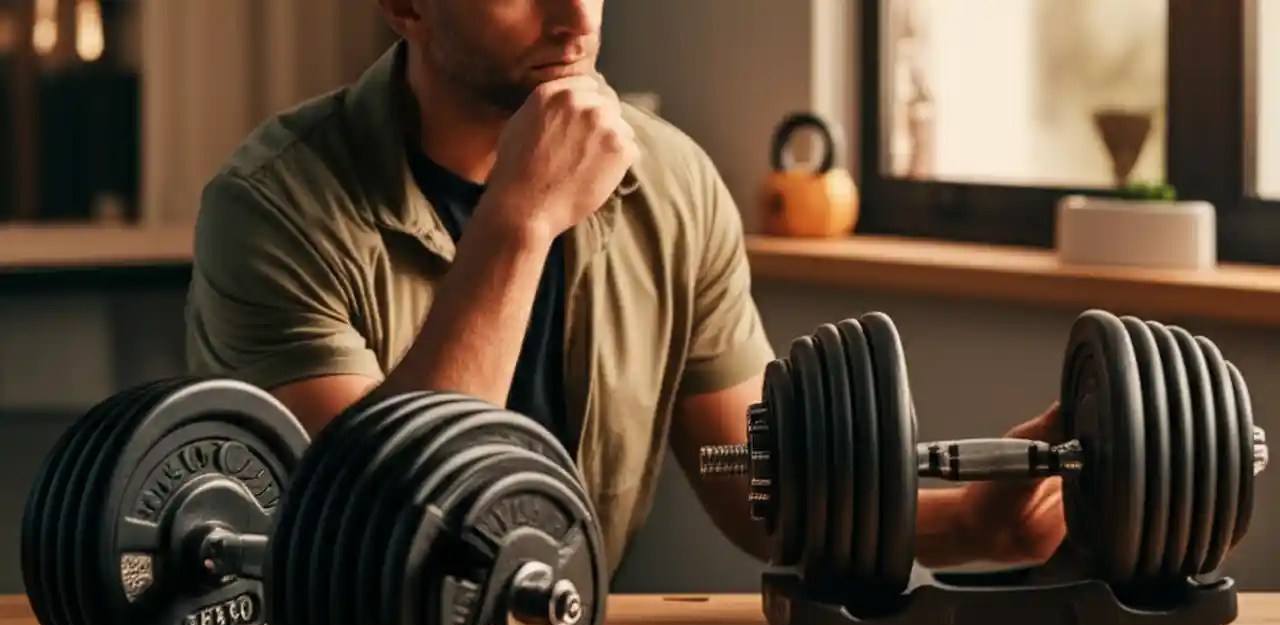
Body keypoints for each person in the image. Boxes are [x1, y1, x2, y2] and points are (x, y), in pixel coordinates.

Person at [184, 0, 1065, 578]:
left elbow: (756, 490)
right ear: (407, 5)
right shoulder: (269, 209)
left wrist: (970, 526)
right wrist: (520, 219)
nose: (574, 18)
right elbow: (383, 538)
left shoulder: (673, 183)